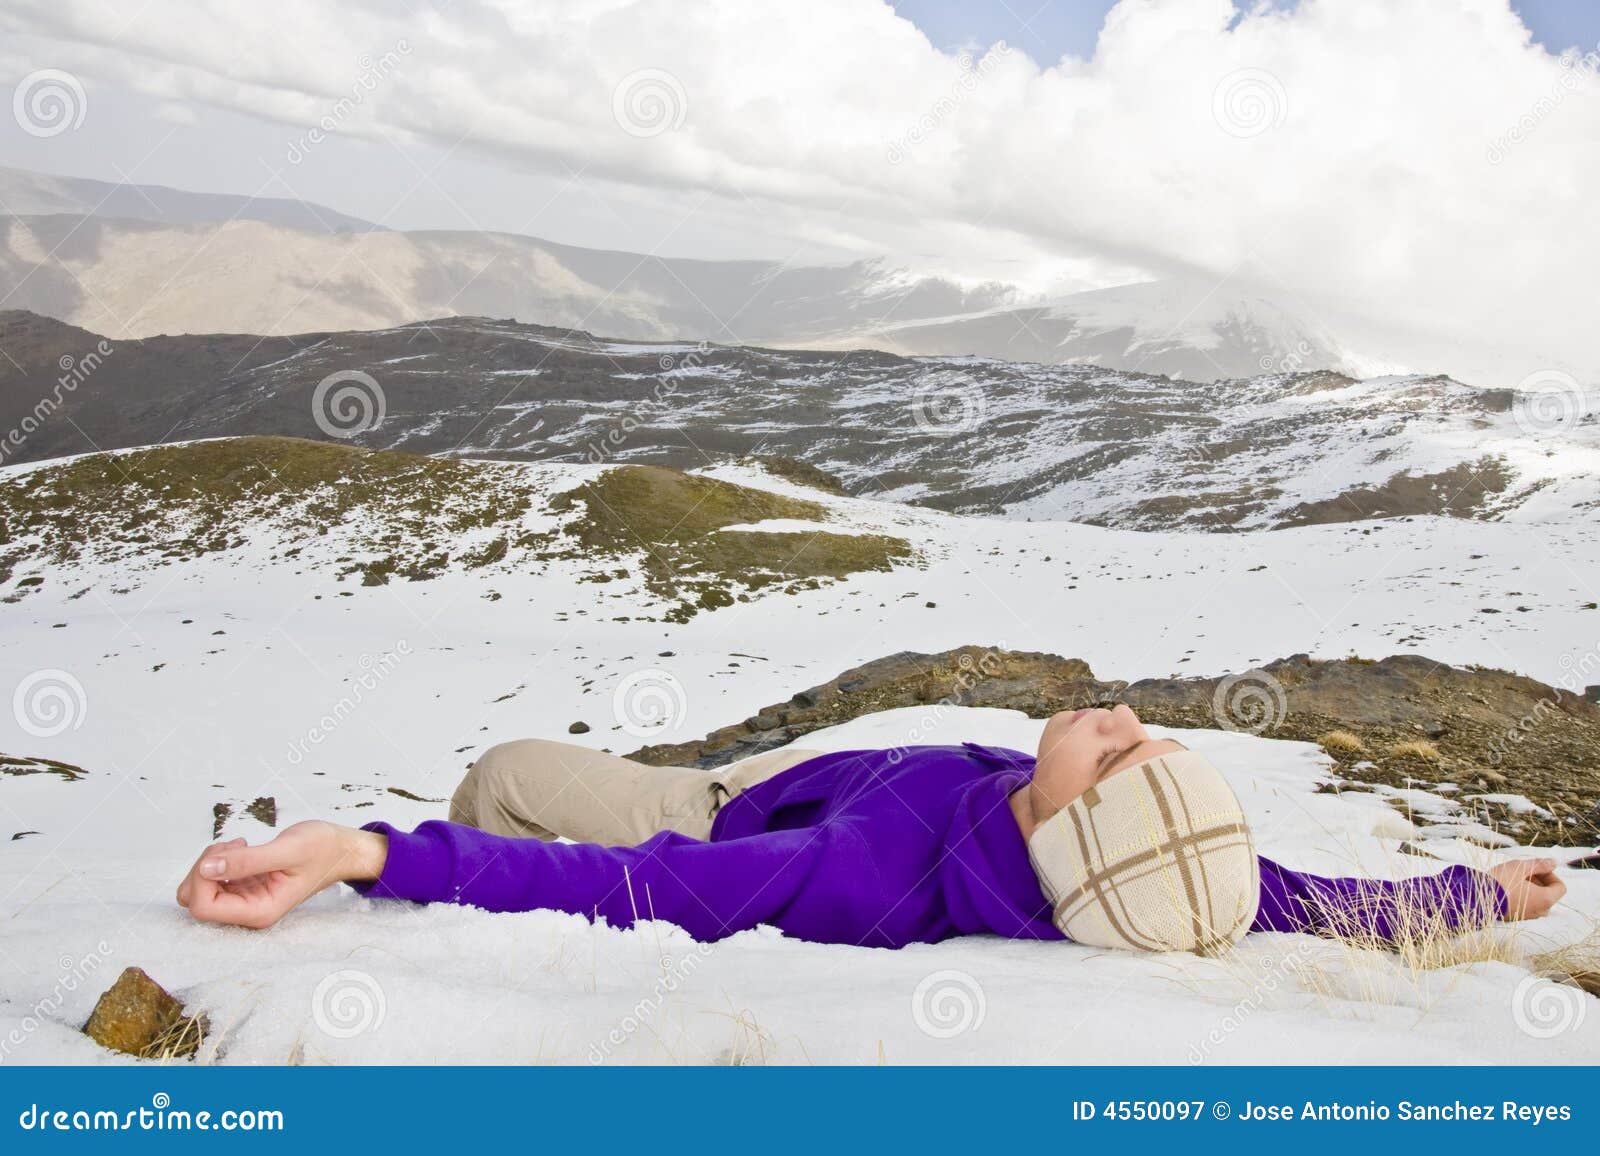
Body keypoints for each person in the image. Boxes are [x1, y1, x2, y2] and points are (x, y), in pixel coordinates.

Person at [176, 705, 1566, 953]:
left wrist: (368, 852)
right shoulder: (1177, 866)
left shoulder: (864, 881)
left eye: (1121, 749)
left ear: (1074, 829)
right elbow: (1323, 904)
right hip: (821, 773)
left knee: (504, 772)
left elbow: (641, 889)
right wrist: (1486, 896)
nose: (1120, 715)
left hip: (723, 812)